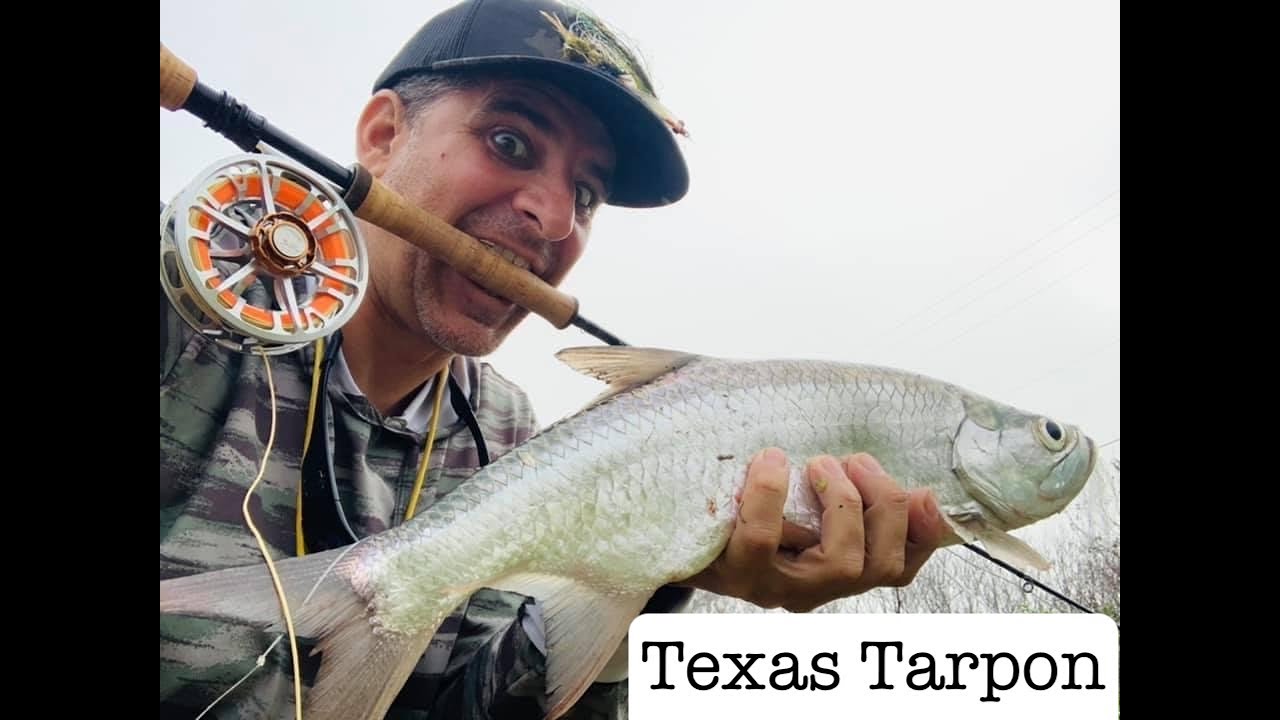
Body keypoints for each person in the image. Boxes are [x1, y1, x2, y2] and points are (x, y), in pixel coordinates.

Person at [159, 0, 947, 718]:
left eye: (590, 194)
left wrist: (660, 573)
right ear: (382, 136)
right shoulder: (181, 307)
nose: (552, 215)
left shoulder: (509, 430)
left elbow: (476, 704)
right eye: (510, 141)